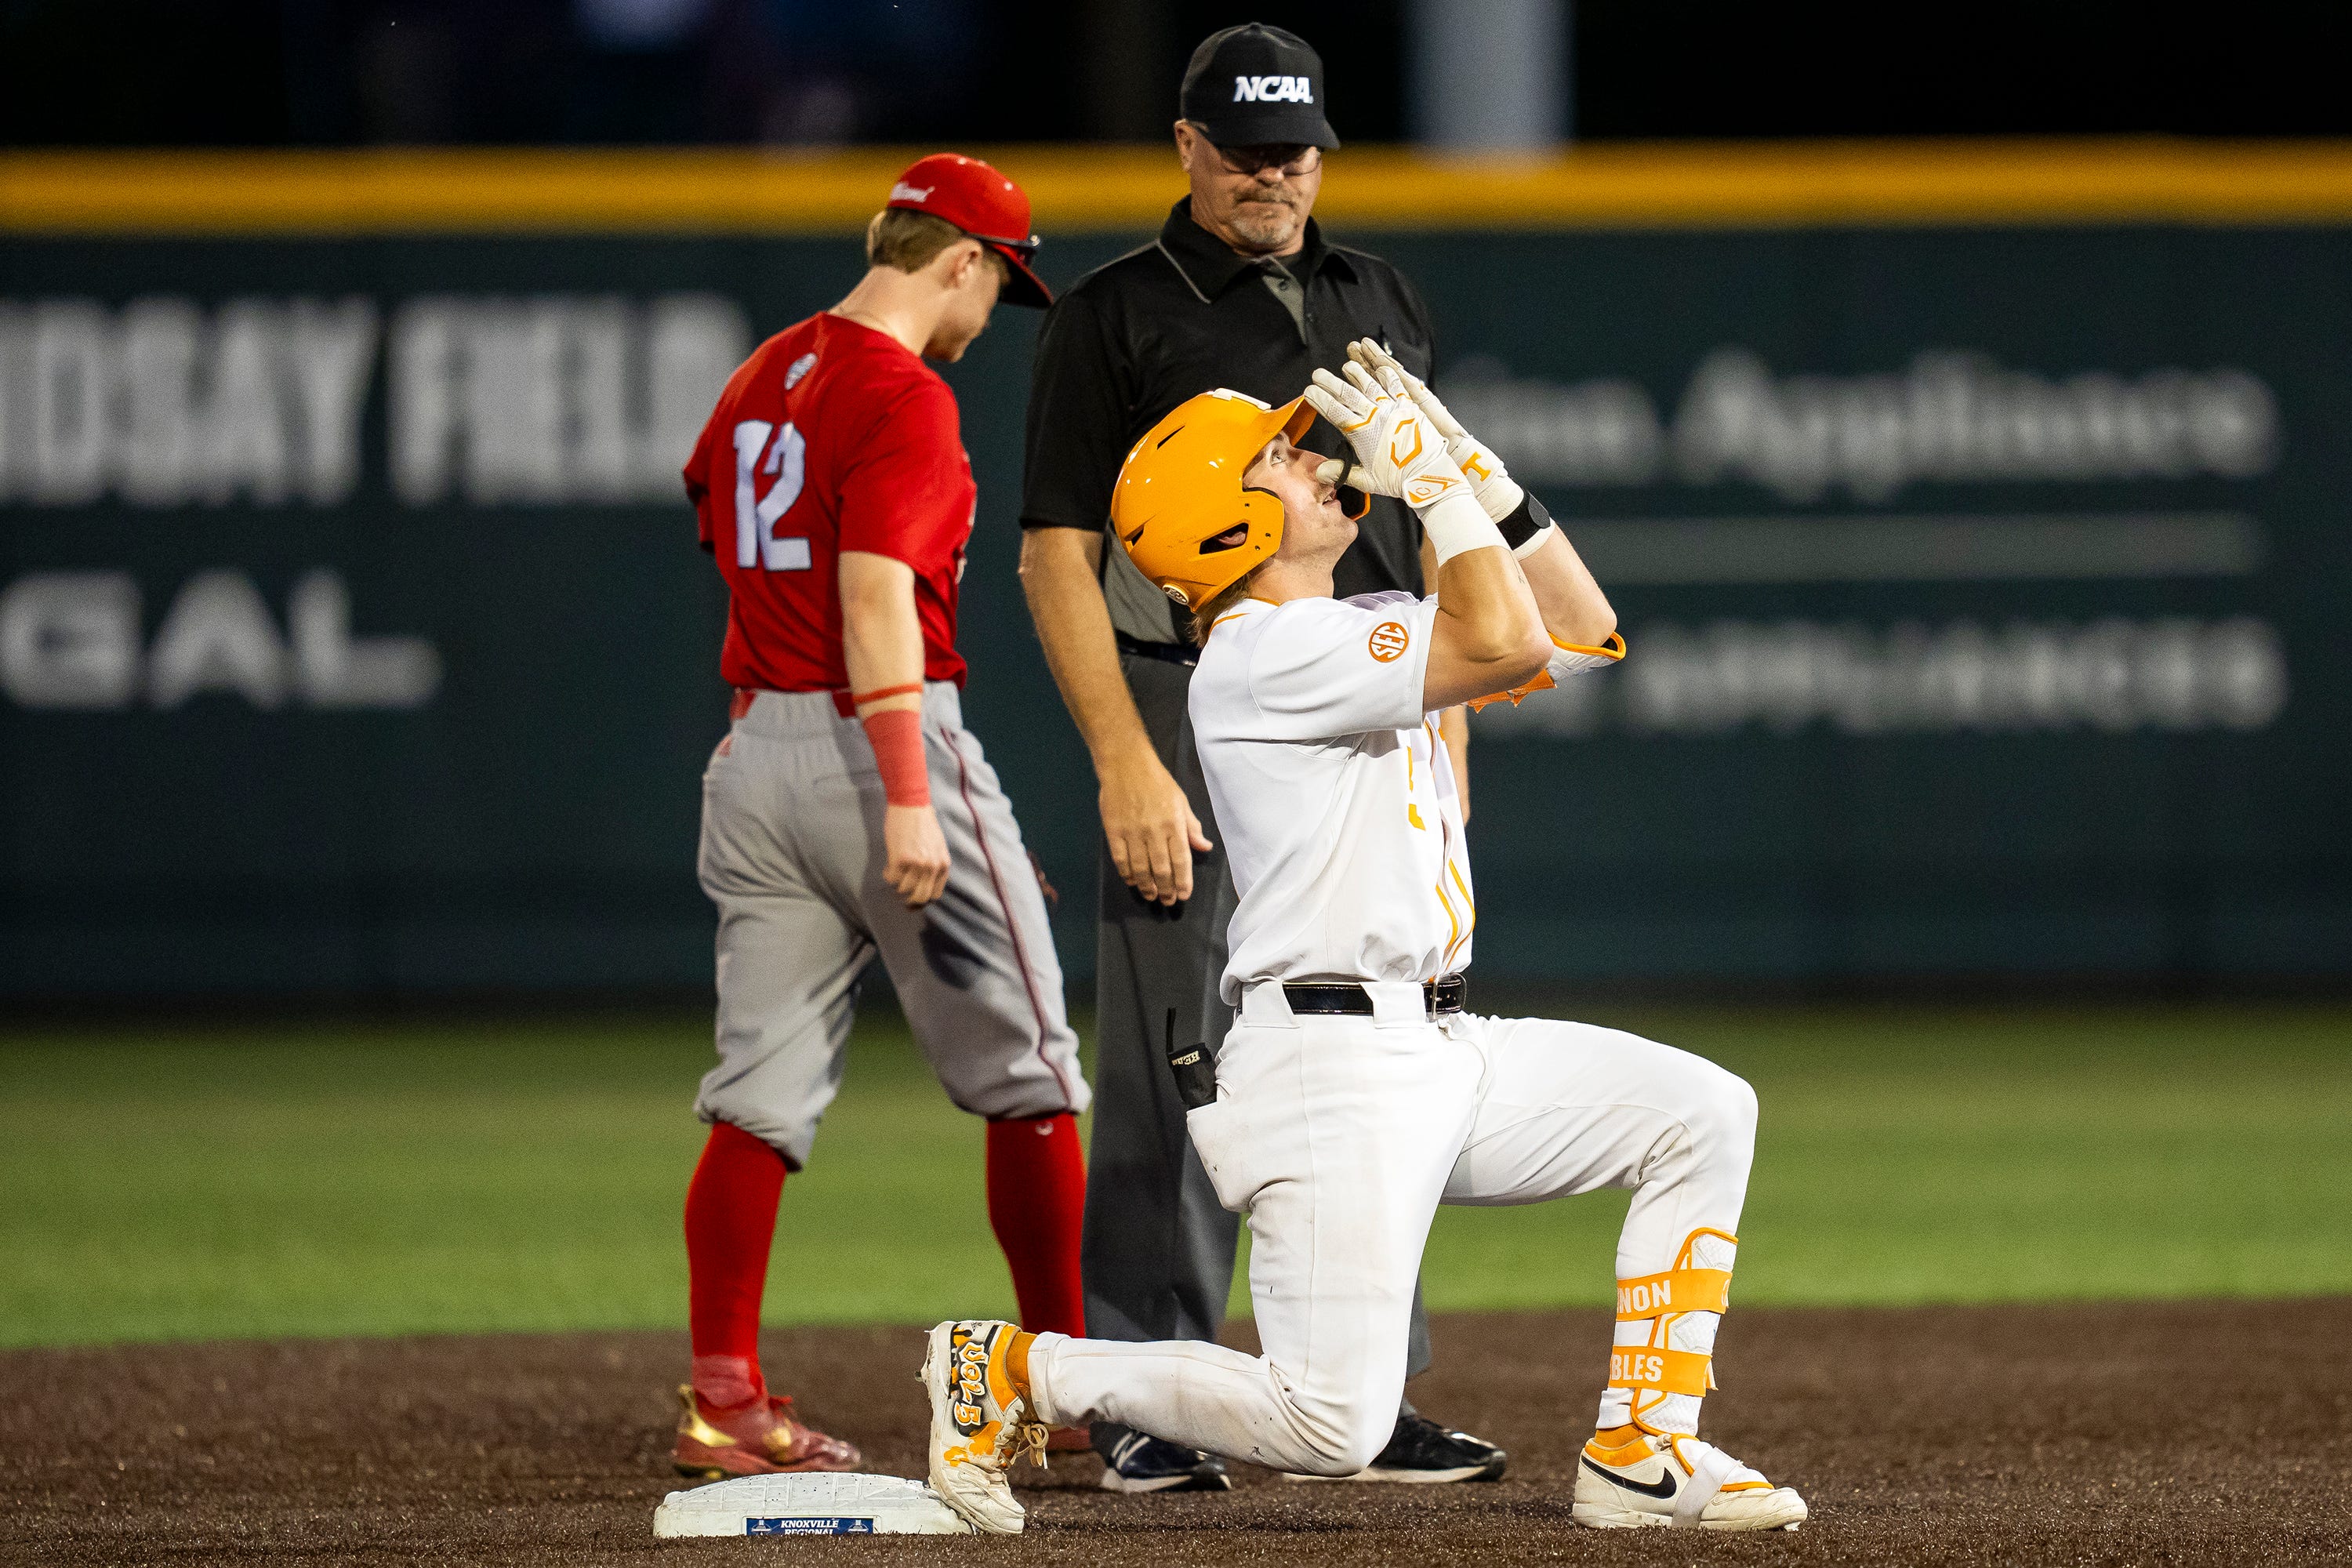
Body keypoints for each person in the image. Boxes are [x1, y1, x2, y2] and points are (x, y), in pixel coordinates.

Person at [917, 349, 1808, 1536]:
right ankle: (1012, 1371)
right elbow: (1504, 642)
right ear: (1227, 523)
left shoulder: (1351, 627)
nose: (1315, 459)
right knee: (1332, 1426)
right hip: (1328, 1071)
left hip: (1439, 1043)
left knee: (1700, 1111)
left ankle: (1644, 1446)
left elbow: (1580, 628)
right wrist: (1433, 487)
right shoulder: (1259, 655)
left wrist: (1479, 476)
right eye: (1278, 458)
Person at [1019, 20, 1522, 1490]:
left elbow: (1419, 546)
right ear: (1188, 148)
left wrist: (1447, 737)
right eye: (1243, 150)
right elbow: (1055, 555)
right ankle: (1143, 1388)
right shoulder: (1117, 311)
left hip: (1374, 698)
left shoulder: (1379, 295)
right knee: (1175, 1053)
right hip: (1197, 701)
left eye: (1293, 148)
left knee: (1388, 1039)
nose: (1272, 174)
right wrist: (1124, 757)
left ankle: (1371, 1387)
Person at [669, 154, 1090, 1479]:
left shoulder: (759, 375)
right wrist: (913, 796)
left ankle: (724, 1402)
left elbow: (726, 534)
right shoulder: (904, 394)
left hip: (755, 755)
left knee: (755, 1096)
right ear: (961, 260)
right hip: (882, 741)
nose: (990, 314)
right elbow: (872, 597)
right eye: (996, 285)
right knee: (1034, 1075)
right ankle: (1072, 1390)